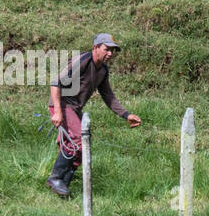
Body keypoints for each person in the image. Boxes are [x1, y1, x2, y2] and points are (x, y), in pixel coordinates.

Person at [46, 33, 141, 197]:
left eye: (112, 51)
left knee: (84, 146)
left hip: (75, 109)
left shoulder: (103, 70)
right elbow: (56, 82)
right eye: (106, 49)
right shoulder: (82, 61)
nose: (110, 54)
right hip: (62, 105)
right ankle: (55, 178)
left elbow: (108, 96)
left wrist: (126, 115)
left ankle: (64, 184)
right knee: (77, 139)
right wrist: (58, 112)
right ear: (95, 47)